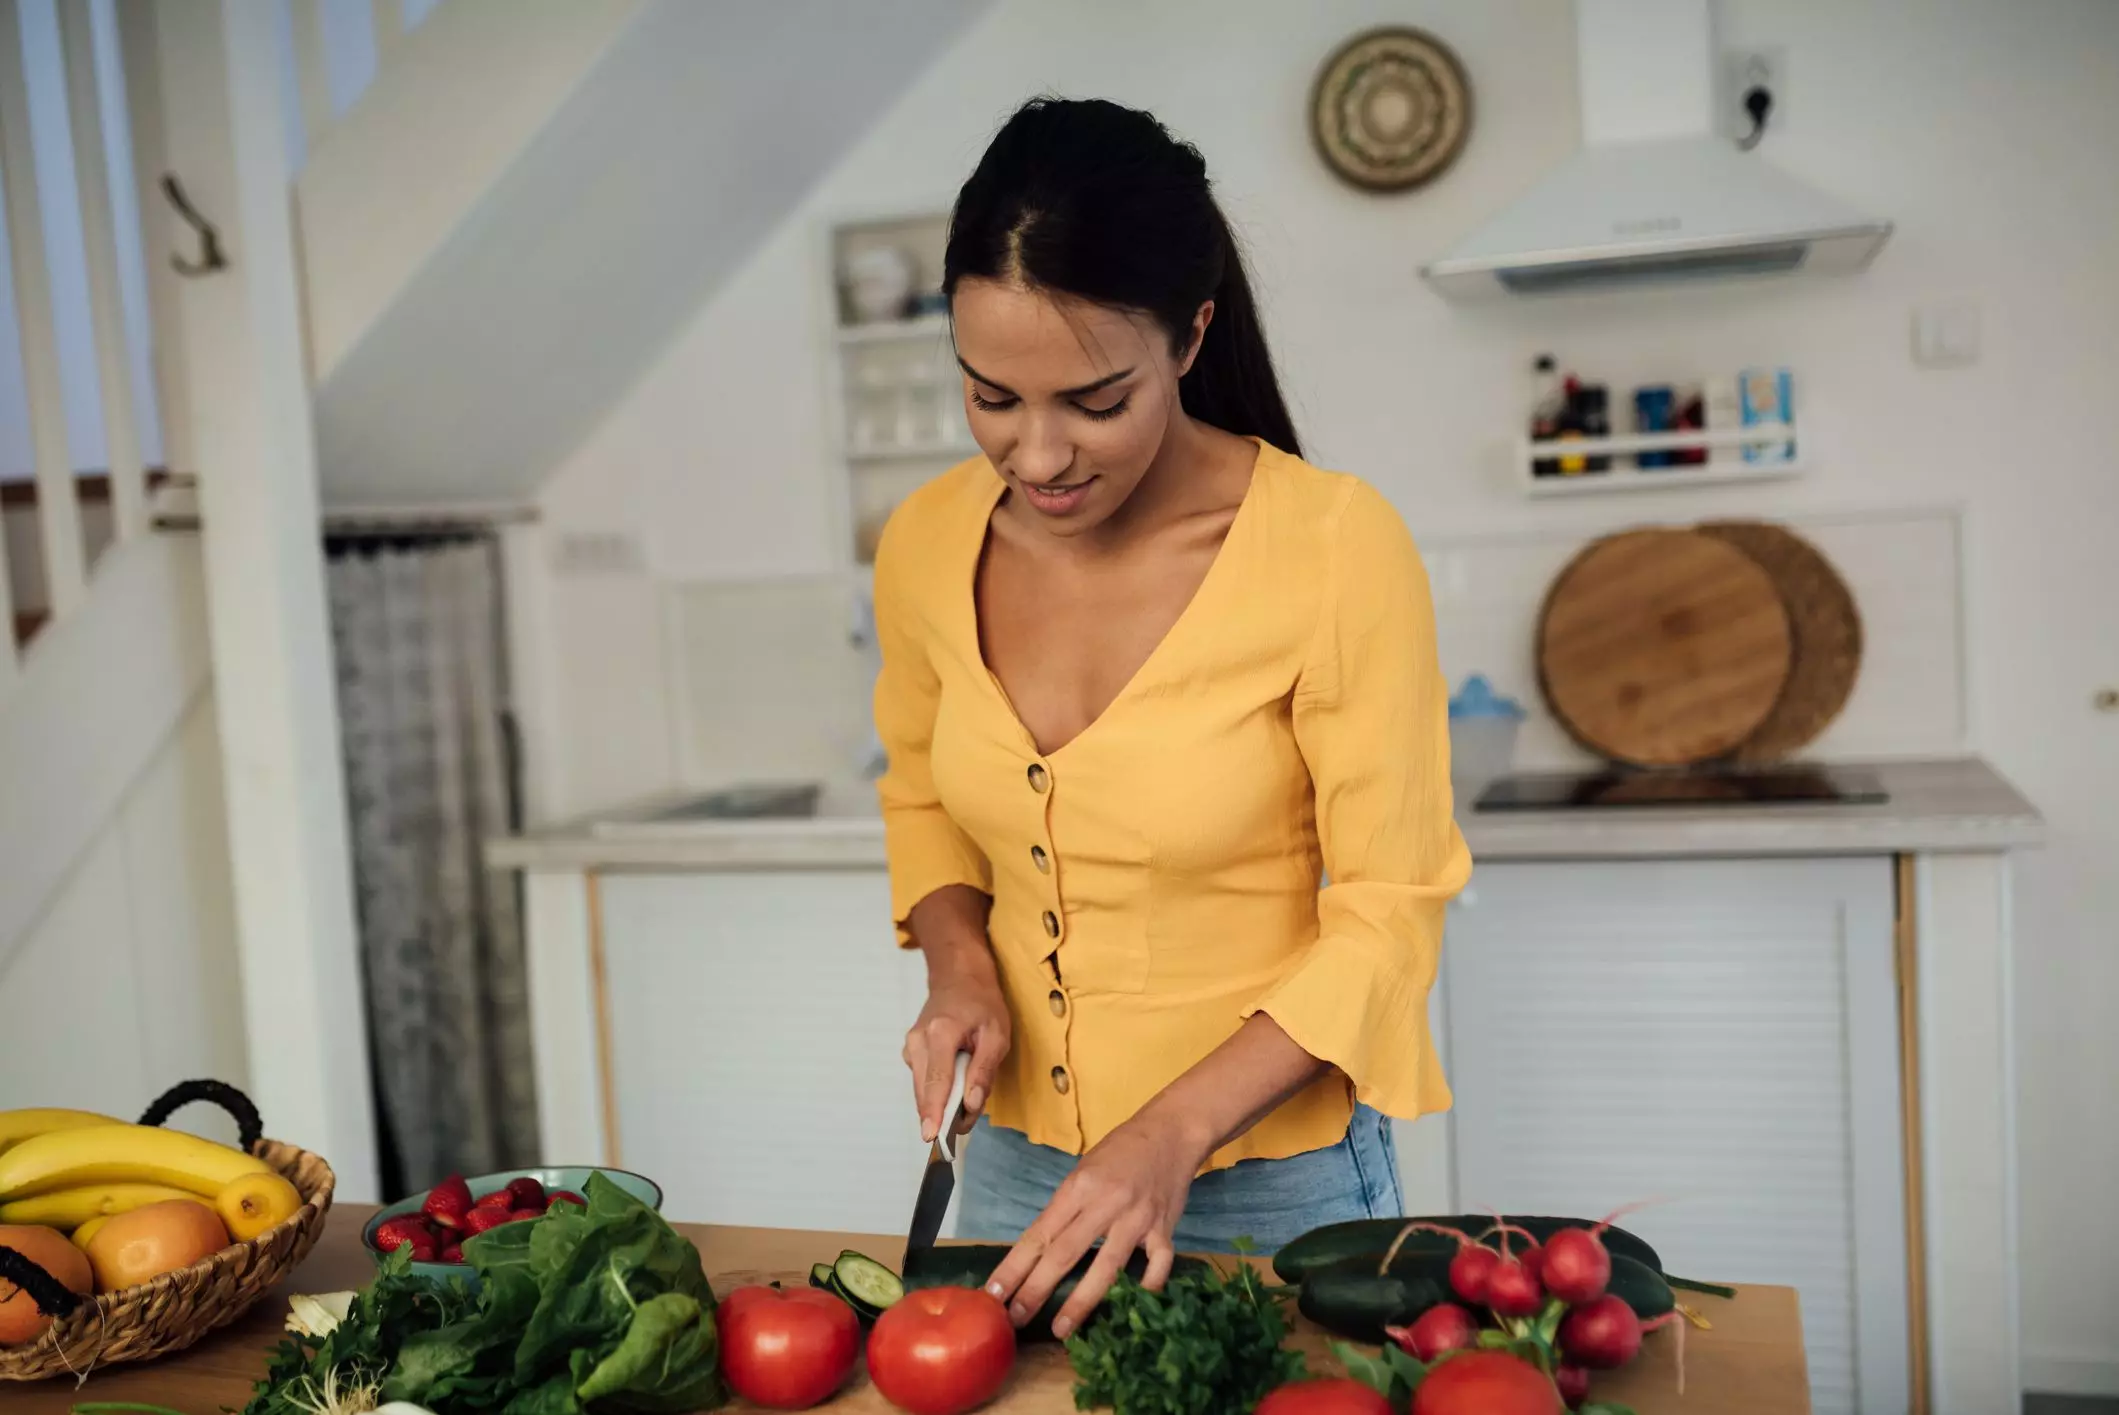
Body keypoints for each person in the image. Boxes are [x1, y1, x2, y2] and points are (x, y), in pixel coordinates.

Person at [871, 97, 1470, 1341]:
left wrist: (1170, 1133)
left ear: (1192, 336)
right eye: (990, 397)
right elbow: (924, 795)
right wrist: (959, 963)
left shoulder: (1332, 546)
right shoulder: (927, 540)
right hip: (1012, 1173)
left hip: (1274, 1186)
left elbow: (1388, 911)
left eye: (1094, 401)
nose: (1037, 457)